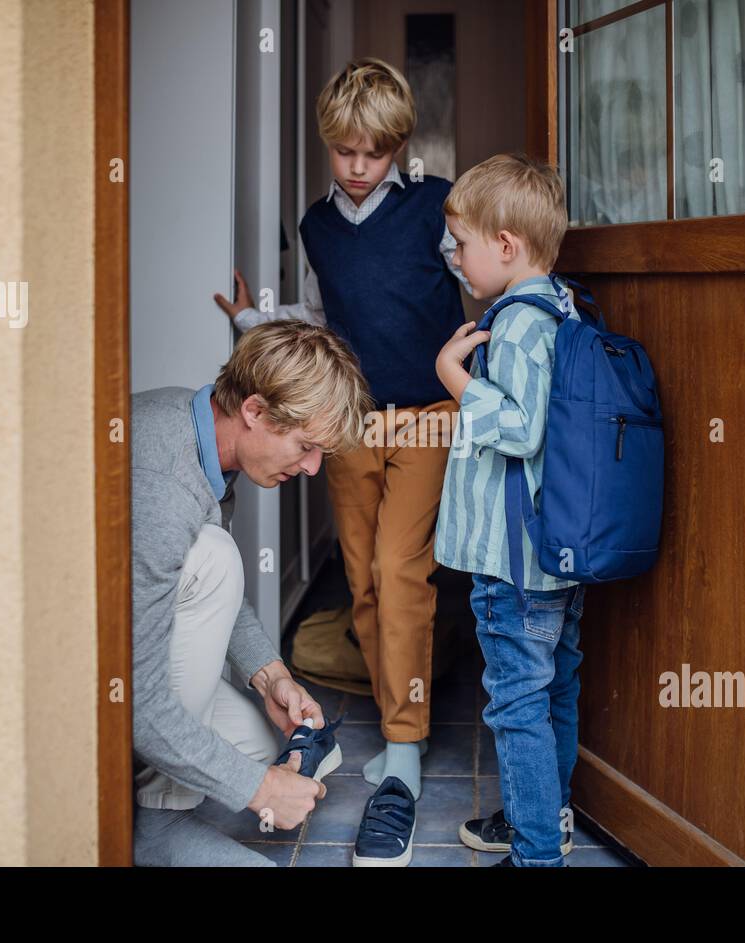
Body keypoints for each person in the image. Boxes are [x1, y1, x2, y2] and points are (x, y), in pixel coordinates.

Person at [213, 58, 474, 820]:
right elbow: (325, 316)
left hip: (428, 417)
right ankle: (399, 710)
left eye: (376, 153)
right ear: (330, 143)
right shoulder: (317, 226)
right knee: (362, 578)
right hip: (351, 422)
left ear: (399, 147)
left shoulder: (437, 207)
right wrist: (251, 322)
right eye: (345, 152)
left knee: (400, 569)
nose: (359, 169)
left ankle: (405, 739)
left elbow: (483, 277)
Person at [131, 320, 372, 866]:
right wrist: (260, 791)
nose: (312, 469)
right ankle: (153, 824)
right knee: (215, 555)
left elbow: (191, 582)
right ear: (256, 411)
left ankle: (159, 799)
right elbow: (139, 703)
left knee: (300, 754)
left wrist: (272, 676)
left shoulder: (197, 430)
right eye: (306, 446)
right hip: (77, 681)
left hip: (122, 645)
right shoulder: (164, 488)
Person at [432, 153, 583, 867]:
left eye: (461, 244)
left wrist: (454, 380)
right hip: (551, 557)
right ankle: (543, 819)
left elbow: (522, 428)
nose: (454, 258)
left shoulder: (520, 325)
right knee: (552, 692)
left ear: (505, 246)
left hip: (512, 563)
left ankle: (533, 854)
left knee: (518, 707)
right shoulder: (562, 305)